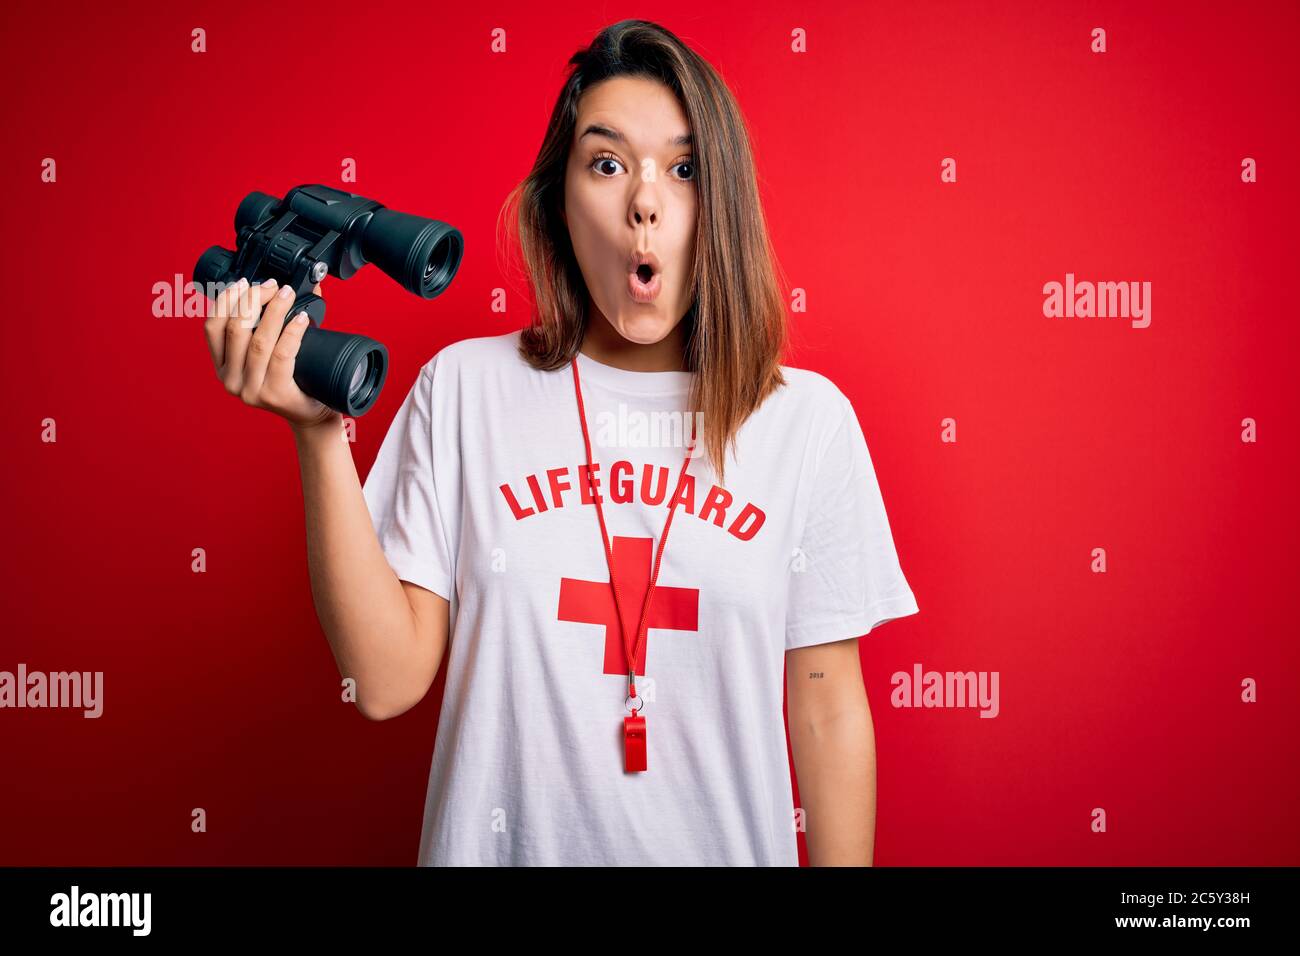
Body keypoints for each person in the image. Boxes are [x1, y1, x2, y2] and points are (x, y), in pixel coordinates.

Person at [202, 19, 918, 867]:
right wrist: (321, 434)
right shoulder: (465, 388)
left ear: (720, 202)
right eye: (607, 163)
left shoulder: (807, 422)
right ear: (559, 203)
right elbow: (386, 682)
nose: (644, 200)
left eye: (683, 169)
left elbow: (827, 705)